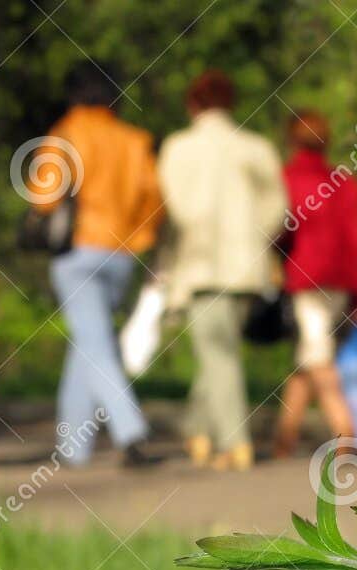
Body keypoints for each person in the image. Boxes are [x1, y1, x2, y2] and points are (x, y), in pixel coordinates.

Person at [29, 61, 164, 467]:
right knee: (88, 343)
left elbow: (43, 198)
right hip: (121, 254)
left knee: (95, 345)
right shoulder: (134, 139)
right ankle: (72, 448)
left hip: (77, 254)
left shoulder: (65, 134)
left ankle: (131, 432)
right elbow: (154, 200)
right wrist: (136, 238)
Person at [157, 69, 287, 471]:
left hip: (200, 267)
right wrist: (254, 239)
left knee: (218, 355)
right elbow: (277, 210)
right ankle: (199, 431)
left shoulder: (178, 147)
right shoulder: (256, 147)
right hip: (247, 269)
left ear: (192, 104)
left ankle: (236, 443)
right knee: (221, 353)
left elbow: (176, 210)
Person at [272, 109, 357, 459]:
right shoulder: (346, 183)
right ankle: (284, 439)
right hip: (339, 280)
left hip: (304, 278)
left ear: (291, 140)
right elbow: (356, 241)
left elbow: (279, 229)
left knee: (317, 355)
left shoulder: (285, 179)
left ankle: (346, 434)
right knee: (309, 357)